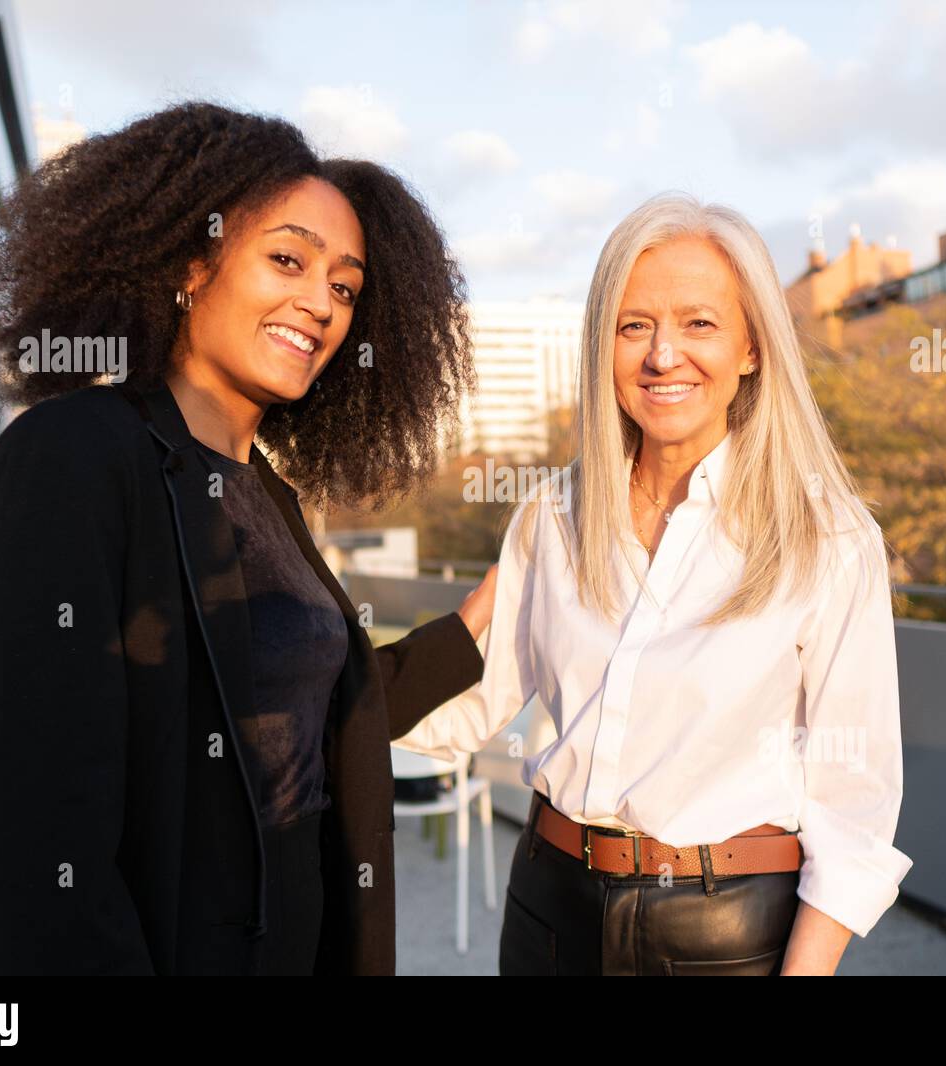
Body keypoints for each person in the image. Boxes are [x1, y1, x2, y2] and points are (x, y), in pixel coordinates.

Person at [0, 101, 498, 975]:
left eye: (345, 288)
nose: (319, 303)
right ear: (190, 263)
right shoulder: (73, 457)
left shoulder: (269, 495)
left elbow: (306, 708)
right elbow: (42, 841)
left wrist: (475, 625)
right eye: (288, 259)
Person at [392, 192, 914, 976]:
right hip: (548, 913)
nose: (663, 355)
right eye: (633, 326)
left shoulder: (827, 537)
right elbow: (466, 712)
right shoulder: (552, 516)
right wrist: (310, 688)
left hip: (723, 936)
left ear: (751, 348)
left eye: (699, 323)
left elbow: (856, 800)